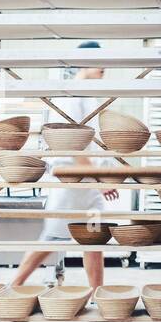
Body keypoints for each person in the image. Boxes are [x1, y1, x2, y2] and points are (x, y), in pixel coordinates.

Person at [11, 41, 119, 288]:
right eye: (98, 60)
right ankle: (13, 287)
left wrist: (101, 178)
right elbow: (72, 144)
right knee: (51, 238)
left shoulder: (89, 96)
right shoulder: (72, 94)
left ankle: (97, 294)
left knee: (93, 239)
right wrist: (99, 181)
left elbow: (92, 145)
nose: (104, 67)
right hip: (71, 182)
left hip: (89, 183)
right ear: (83, 62)